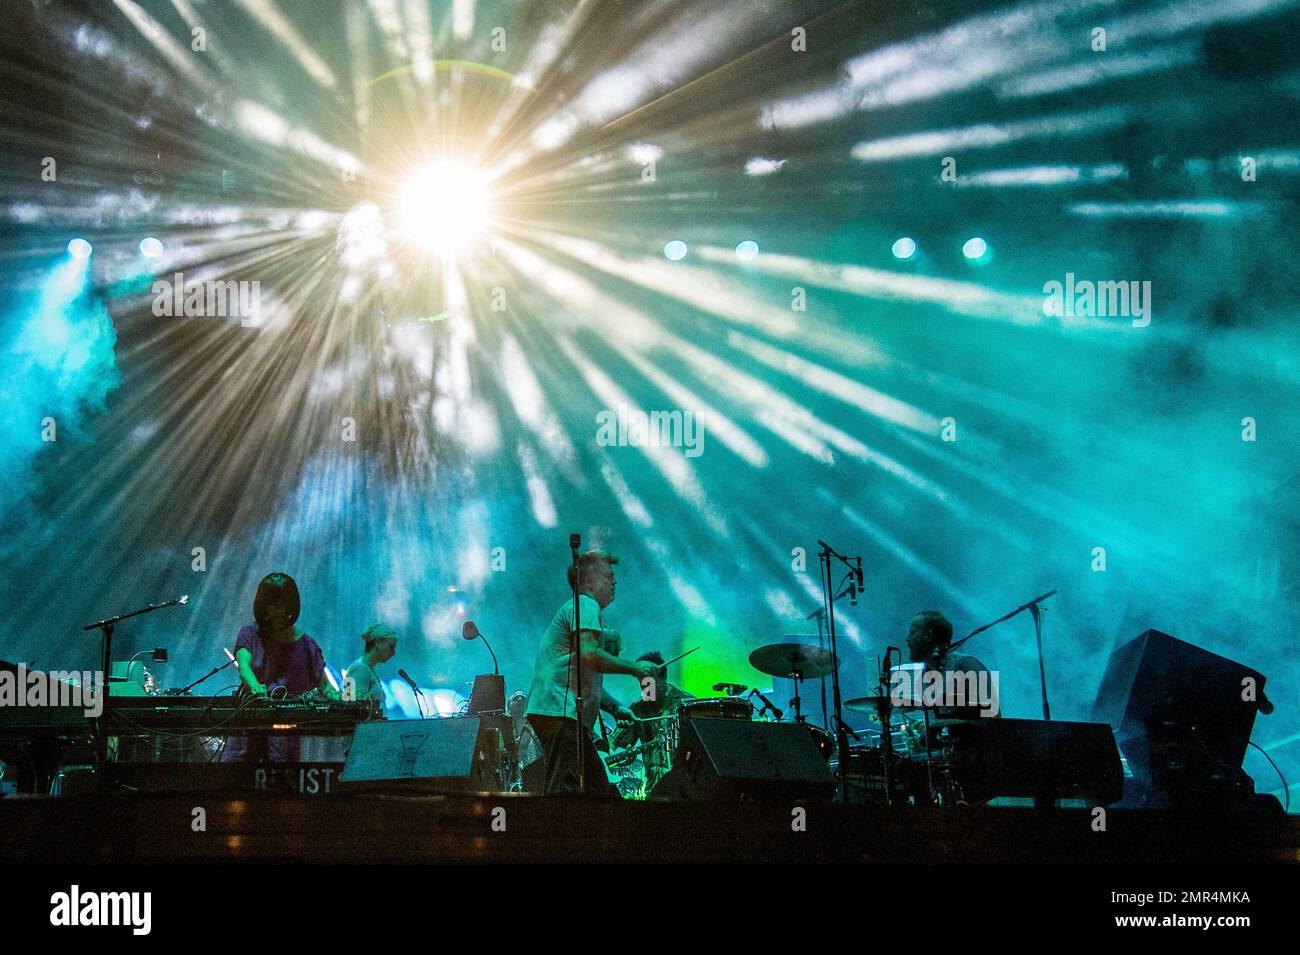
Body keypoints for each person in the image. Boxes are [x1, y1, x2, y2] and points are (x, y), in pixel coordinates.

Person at [525, 550, 657, 795]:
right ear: (588, 582)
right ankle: (559, 832)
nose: (614, 581)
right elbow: (590, 655)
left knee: (596, 791)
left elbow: (586, 674)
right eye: (608, 576)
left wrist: (615, 707)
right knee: (567, 790)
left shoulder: (582, 608)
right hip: (560, 712)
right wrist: (635, 668)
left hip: (563, 714)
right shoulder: (585, 604)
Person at [221, 572, 337, 763]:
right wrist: (255, 686)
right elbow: (244, 667)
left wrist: (343, 700)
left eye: (280, 606)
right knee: (233, 778)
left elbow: (324, 686)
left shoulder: (307, 645)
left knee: (280, 782)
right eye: (270, 606)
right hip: (248, 724)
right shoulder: (250, 633)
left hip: (286, 731)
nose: (274, 612)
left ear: (290, 606)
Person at [614, 650, 693, 793]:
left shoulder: (688, 704)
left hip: (685, 789)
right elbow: (614, 747)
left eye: (650, 683)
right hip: (653, 789)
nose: (645, 688)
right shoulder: (637, 708)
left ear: (664, 677)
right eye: (641, 683)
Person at [344, 624, 397, 718]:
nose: (393, 653)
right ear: (378, 642)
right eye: (391, 647)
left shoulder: (368, 670)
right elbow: (353, 710)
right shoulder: (359, 670)